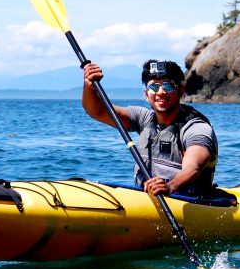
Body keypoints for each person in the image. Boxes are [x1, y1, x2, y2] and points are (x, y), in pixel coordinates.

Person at [82, 59, 218, 198]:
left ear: (180, 91)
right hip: (147, 198)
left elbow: (193, 167)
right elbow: (97, 111)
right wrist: (90, 86)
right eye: (153, 87)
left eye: (168, 86)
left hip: (189, 202)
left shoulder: (196, 127)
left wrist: (170, 186)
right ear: (146, 95)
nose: (161, 92)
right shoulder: (144, 118)